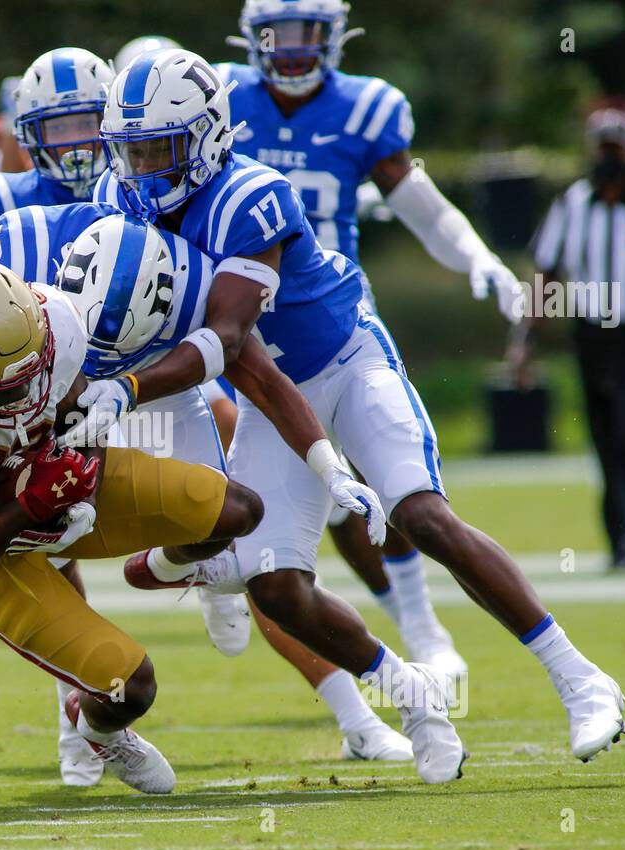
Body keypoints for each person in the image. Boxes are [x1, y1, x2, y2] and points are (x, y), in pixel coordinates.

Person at [81, 47, 625, 764]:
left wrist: (122, 390)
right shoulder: (116, 201)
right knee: (275, 587)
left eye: (160, 150)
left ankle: (579, 678)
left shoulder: (254, 194)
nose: (144, 169)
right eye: (132, 151)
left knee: (420, 514)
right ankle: (410, 696)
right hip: (271, 394)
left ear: (210, 135)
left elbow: (229, 335)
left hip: (346, 360)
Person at [0, 207, 421, 779]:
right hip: (46, 396)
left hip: (158, 385)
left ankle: (183, 571)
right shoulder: (15, 244)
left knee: (232, 525)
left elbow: (261, 377)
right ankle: (80, 731)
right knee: (50, 535)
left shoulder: (193, 281)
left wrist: (329, 468)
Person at [0, 255, 269, 793]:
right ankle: (99, 731)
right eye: (6, 390)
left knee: (236, 511)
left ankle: (164, 568)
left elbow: (78, 412)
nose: (26, 395)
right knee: (130, 686)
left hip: (52, 484)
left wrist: (80, 468)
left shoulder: (54, 322)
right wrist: (30, 505)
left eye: (35, 369)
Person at [215, 0, 531, 686]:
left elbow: (419, 202)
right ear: (251, 40)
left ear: (335, 39)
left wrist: (478, 257)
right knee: (244, 476)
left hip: (332, 320)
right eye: (280, 35)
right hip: (237, 321)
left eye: (309, 36)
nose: (294, 51)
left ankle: (419, 624)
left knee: (365, 486)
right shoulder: (222, 98)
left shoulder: (365, 110)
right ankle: (215, 573)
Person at [512, 108, 625, 570]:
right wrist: (526, 338)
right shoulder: (572, 203)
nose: (609, 158)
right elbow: (548, 273)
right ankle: (619, 537)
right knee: (605, 438)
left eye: (617, 149)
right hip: (593, 335)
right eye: (602, 149)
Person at [0, 48, 114, 254]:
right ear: (31, 134)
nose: (74, 139)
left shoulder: (136, 195)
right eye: (58, 128)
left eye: (85, 123)